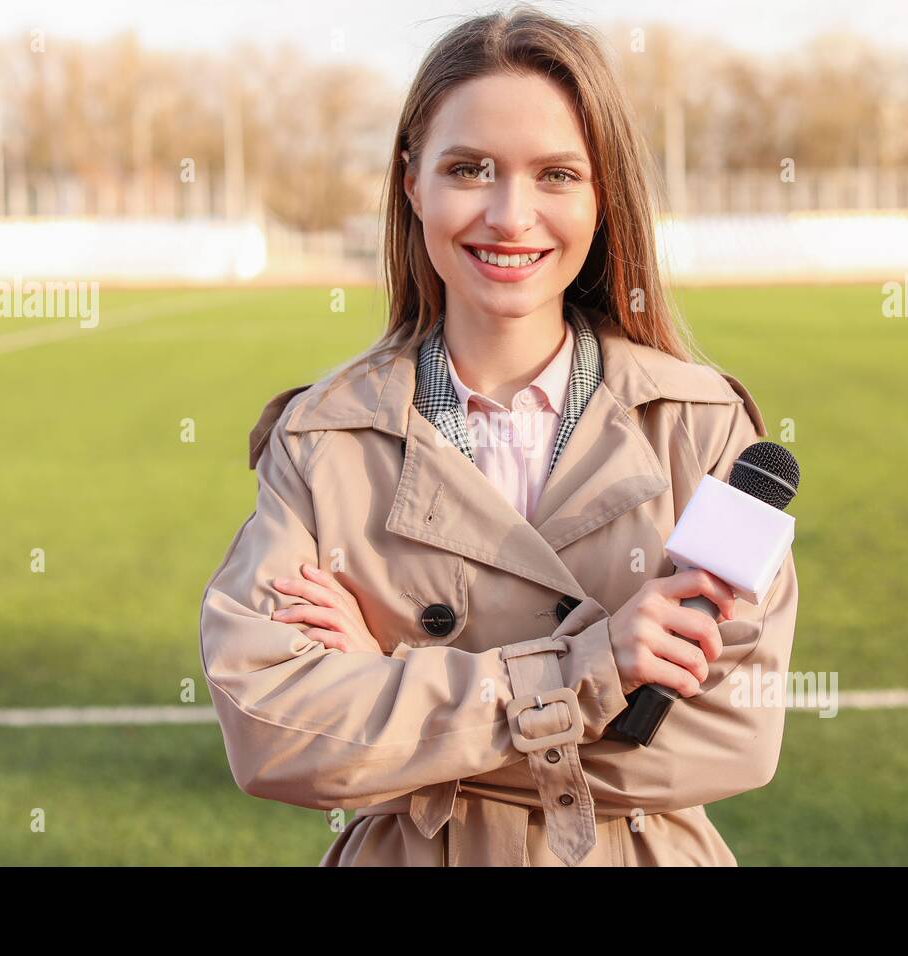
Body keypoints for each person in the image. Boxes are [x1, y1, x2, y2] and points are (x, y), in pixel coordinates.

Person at [199, 5, 798, 867]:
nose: (511, 217)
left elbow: (730, 737)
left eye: (556, 174)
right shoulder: (323, 438)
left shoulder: (700, 427)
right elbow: (273, 731)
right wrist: (592, 669)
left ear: (603, 196)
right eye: (470, 168)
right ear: (413, 183)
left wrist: (390, 695)